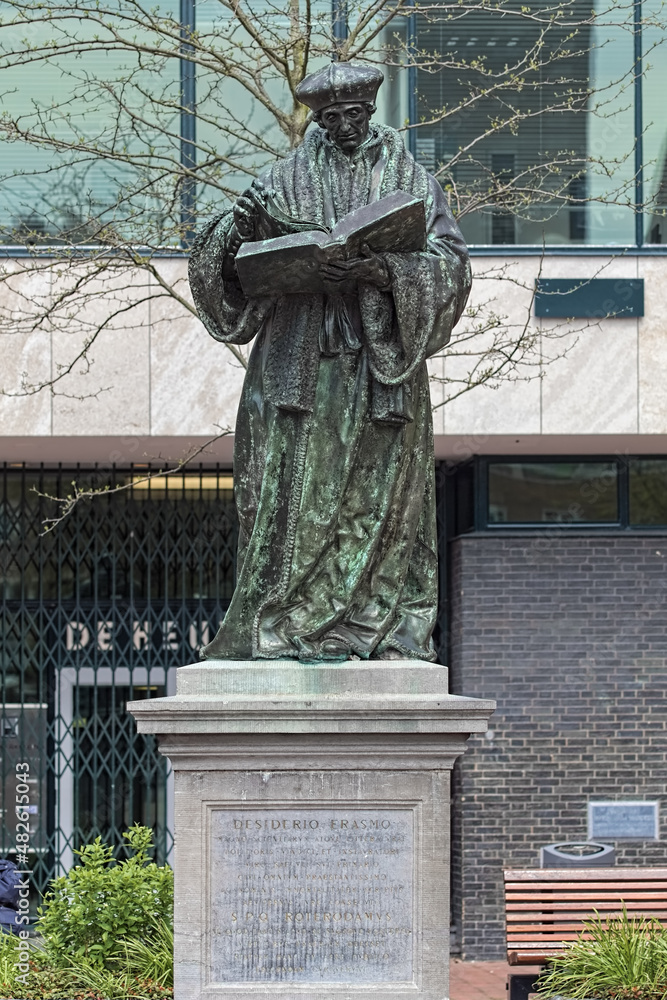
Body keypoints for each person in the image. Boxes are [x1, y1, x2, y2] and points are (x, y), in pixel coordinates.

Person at [188, 62, 471, 662]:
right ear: (315, 118)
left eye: (355, 115)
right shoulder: (280, 181)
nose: (344, 126)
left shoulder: (412, 180)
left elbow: (452, 268)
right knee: (285, 493)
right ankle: (285, 622)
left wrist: (382, 271)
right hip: (299, 363)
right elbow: (223, 270)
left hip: (378, 368)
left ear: (371, 113)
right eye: (331, 117)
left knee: (379, 495)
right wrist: (236, 233)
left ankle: (374, 619)